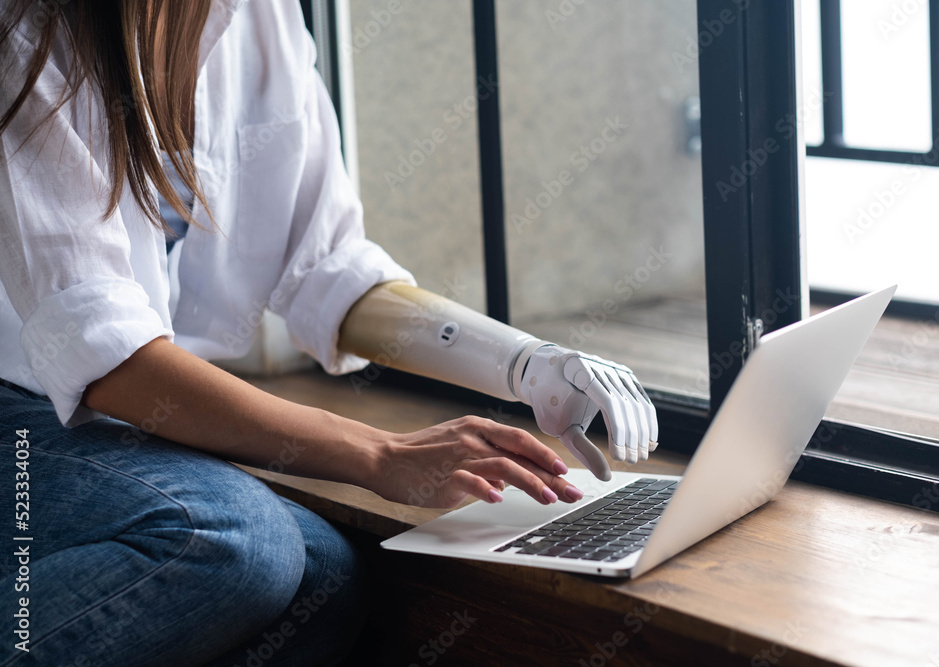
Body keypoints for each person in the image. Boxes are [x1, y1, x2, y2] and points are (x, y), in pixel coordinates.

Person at [0, 1, 657, 665]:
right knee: (231, 539)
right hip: (22, 411)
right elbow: (104, 352)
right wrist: (380, 453)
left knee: (328, 578)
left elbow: (330, 271)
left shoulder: (264, 15)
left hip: (120, 421)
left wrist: (530, 365)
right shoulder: (28, 26)